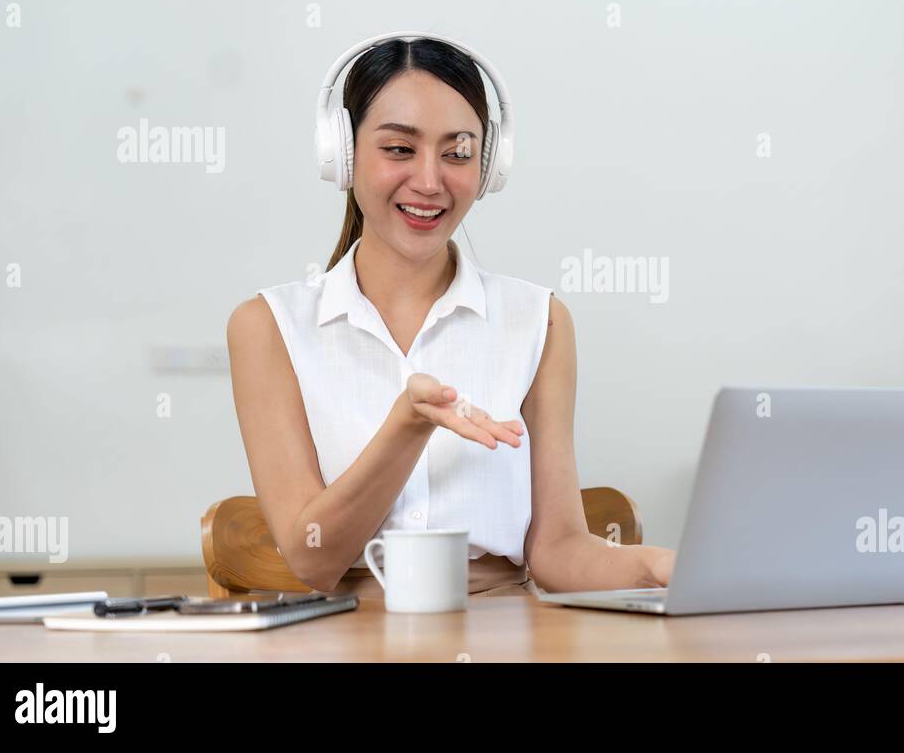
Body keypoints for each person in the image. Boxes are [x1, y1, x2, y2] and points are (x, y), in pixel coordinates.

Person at [226, 35, 675, 598]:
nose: (430, 181)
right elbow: (313, 559)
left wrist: (656, 566)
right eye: (398, 149)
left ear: (488, 166)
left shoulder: (540, 319)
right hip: (346, 641)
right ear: (342, 154)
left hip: (508, 632)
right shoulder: (269, 326)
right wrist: (407, 426)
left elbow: (558, 550)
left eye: (457, 153)